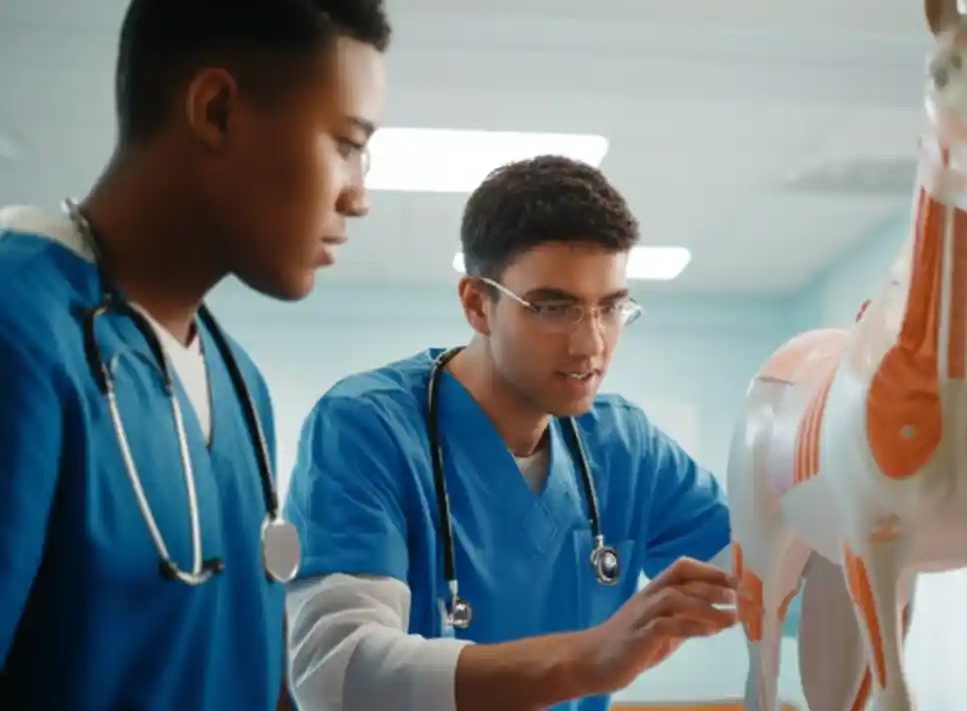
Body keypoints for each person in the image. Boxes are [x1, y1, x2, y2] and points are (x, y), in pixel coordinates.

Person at [0, 0, 391, 708]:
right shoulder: (20, 329)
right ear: (217, 110)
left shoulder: (242, 386)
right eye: (346, 144)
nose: (358, 197)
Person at [283, 154, 737, 710]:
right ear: (478, 304)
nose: (590, 344)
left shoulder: (625, 448)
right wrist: (589, 658)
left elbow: (777, 576)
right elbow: (337, 674)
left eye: (610, 308)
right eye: (553, 308)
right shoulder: (366, 427)